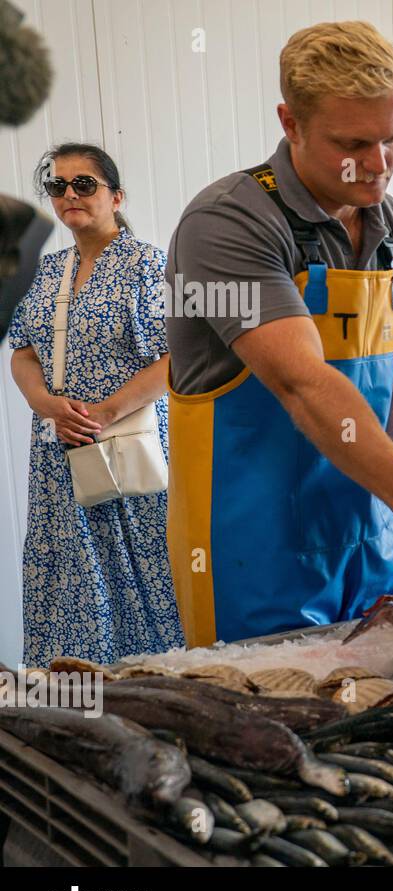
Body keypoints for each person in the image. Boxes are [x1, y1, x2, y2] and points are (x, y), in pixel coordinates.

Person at [165, 21, 393, 646]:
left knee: (376, 722)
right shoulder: (228, 222)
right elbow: (303, 383)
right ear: (291, 123)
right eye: (354, 144)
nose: (378, 165)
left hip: (368, 536)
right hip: (251, 553)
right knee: (266, 729)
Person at [8, 144, 183, 665]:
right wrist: (47, 406)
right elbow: (22, 352)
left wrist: (101, 415)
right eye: (58, 186)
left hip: (130, 448)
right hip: (61, 451)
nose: (69, 195)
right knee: (73, 580)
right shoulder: (43, 272)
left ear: (116, 195)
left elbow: (177, 359)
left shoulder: (149, 265)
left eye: (84, 184)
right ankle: (75, 705)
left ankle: (158, 698)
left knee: (145, 577)